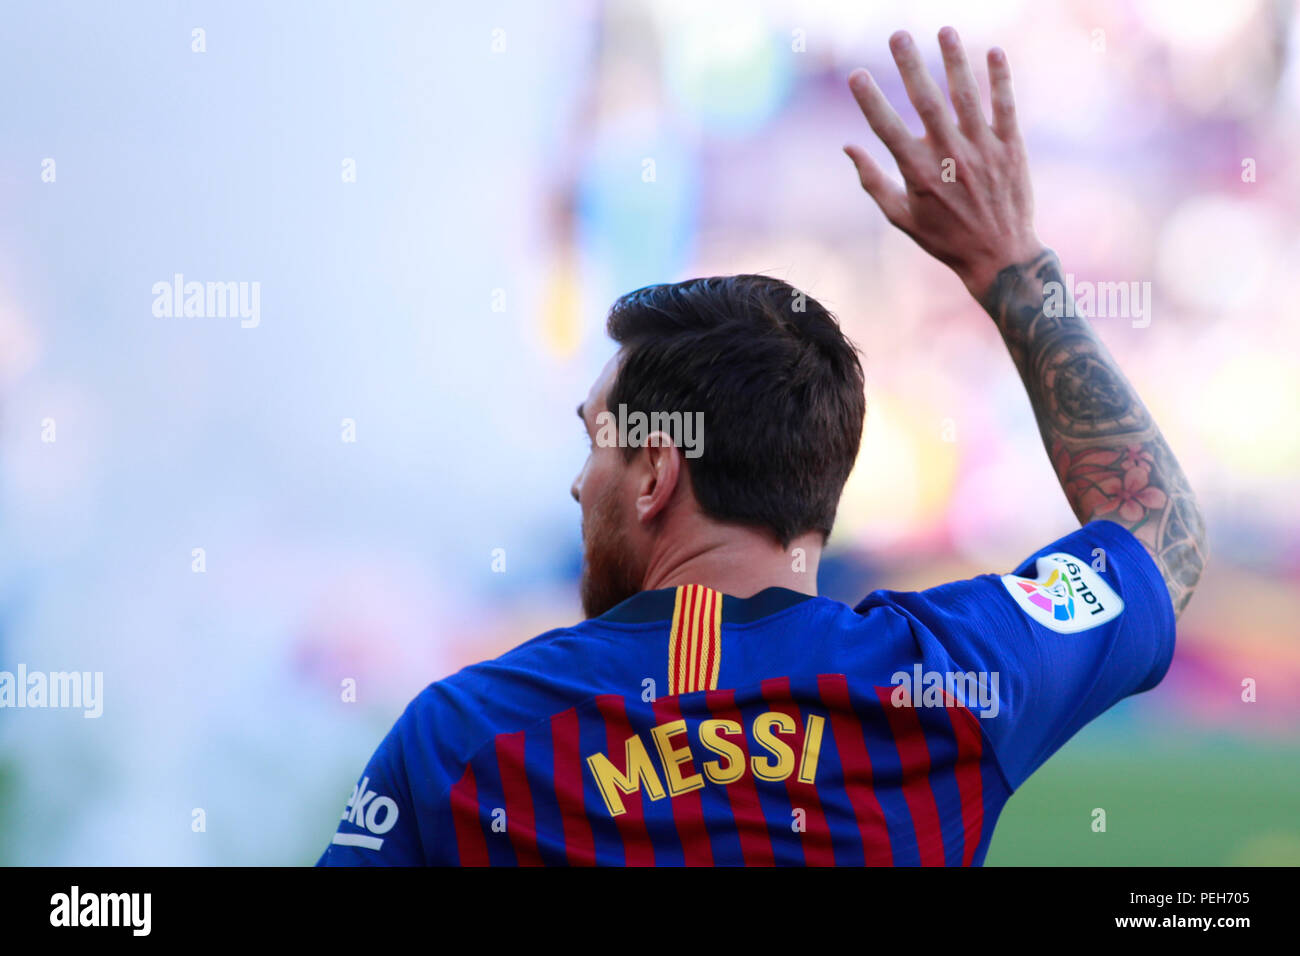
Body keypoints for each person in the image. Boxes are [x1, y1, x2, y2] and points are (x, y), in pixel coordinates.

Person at [317, 27, 1207, 866]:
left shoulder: (465, 740)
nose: (579, 485)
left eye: (598, 443)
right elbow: (1155, 535)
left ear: (656, 473)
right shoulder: (953, 682)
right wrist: (1011, 271)